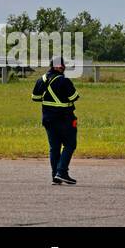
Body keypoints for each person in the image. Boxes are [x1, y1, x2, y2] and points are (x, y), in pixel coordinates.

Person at [31, 55, 79, 185]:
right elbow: (74, 97)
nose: (64, 68)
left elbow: (35, 98)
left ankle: (55, 177)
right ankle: (61, 172)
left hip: (48, 119)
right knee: (70, 145)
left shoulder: (41, 80)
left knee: (54, 148)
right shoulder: (64, 81)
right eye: (63, 65)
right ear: (58, 66)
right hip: (65, 119)